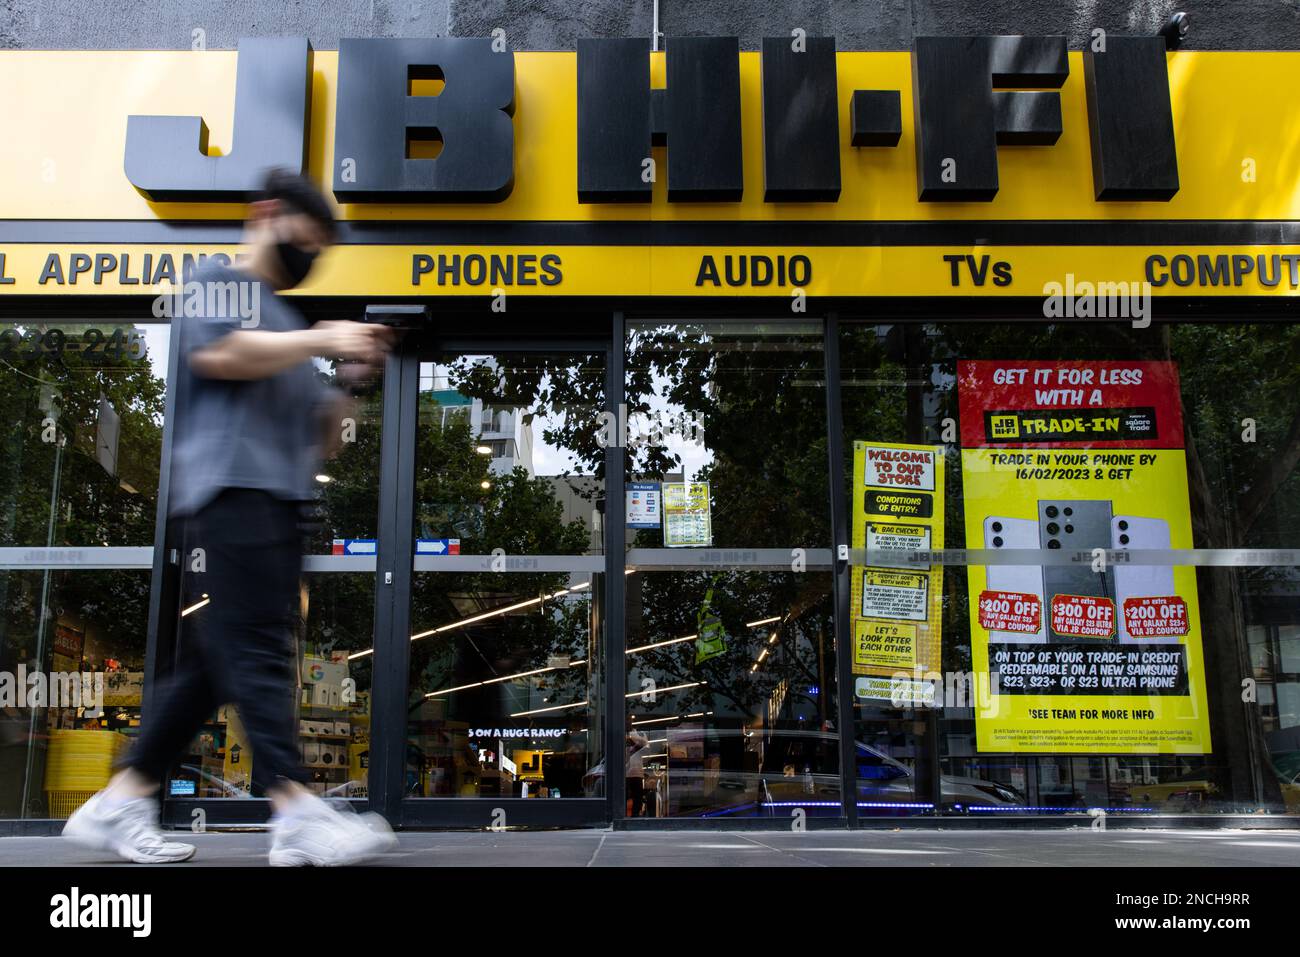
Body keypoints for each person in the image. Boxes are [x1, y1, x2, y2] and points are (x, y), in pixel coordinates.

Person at [62, 168, 396, 865]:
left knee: (220, 660)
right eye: (309, 239)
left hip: (278, 502)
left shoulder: (286, 320)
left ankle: (120, 799)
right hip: (228, 492)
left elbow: (321, 437)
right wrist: (323, 339)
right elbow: (221, 356)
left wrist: (349, 380)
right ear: (269, 212)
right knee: (257, 650)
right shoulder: (217, 282)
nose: (313, 257)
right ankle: (296, 807)